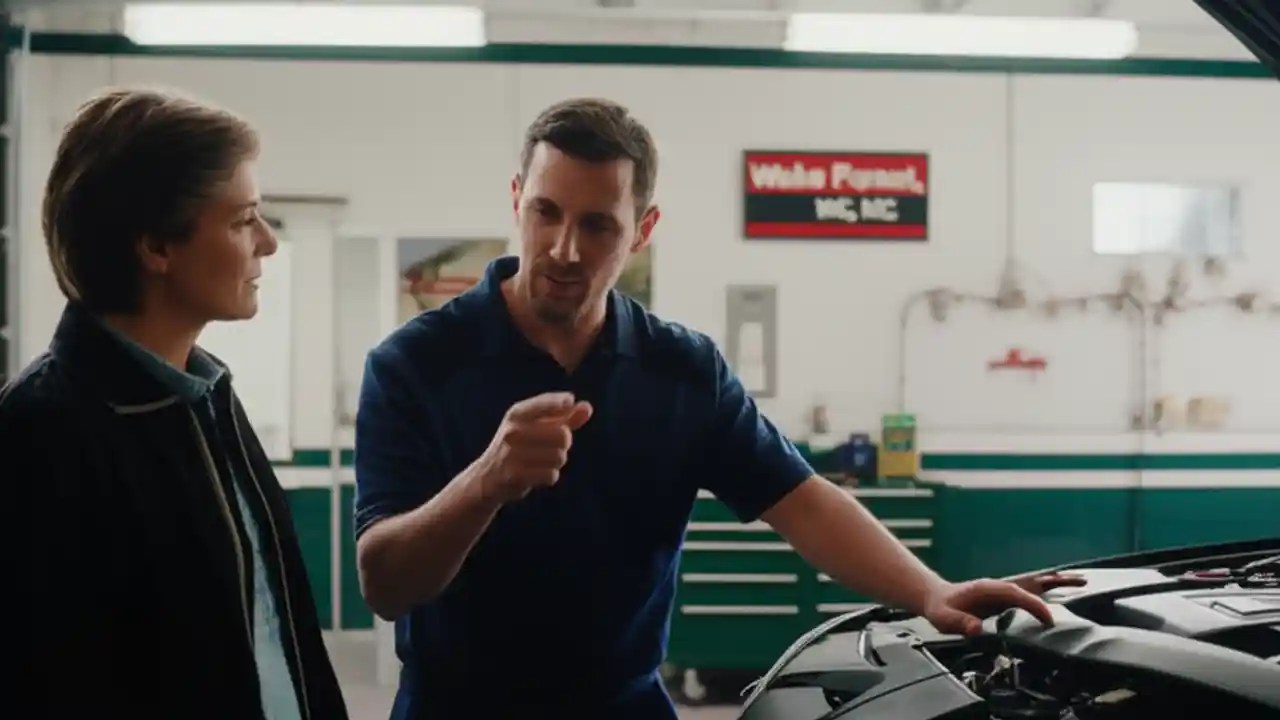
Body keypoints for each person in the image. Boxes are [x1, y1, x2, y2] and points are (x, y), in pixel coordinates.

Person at [353, 97, 1083, 719]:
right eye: (545, 212)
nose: (564, 248)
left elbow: (803, 502)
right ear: (518, 200)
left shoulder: (682, 370)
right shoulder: (414, 365)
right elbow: (385, 585)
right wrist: (486, 484)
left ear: (642, 229)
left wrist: (932, 589)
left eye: (599, 224)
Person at [0, 88, 348, 720]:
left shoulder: (210, 398)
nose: (267, 242)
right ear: (156, 246)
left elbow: (277, 632)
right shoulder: (40, 432)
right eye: (244, 220)